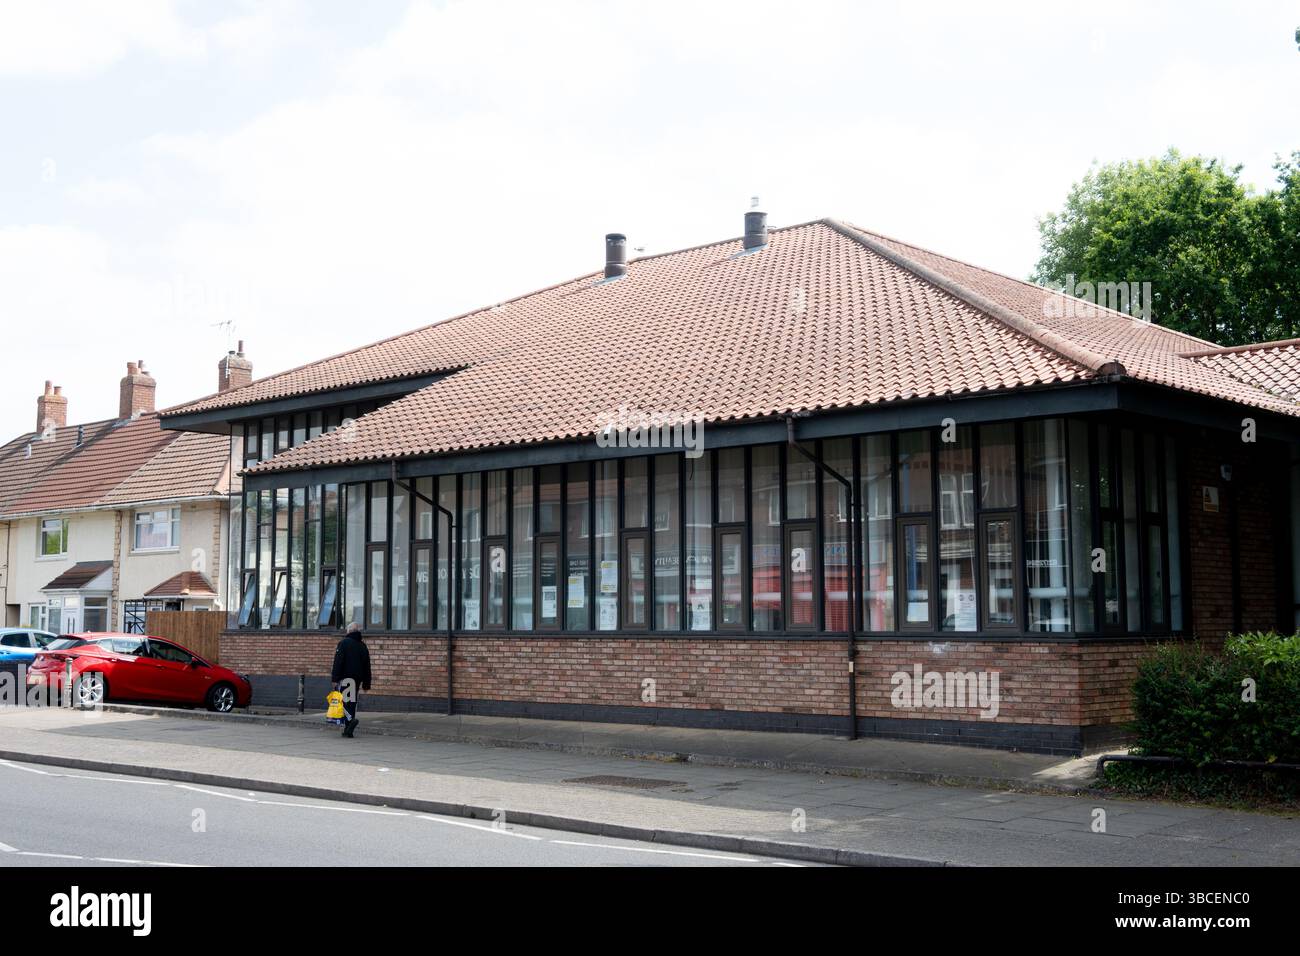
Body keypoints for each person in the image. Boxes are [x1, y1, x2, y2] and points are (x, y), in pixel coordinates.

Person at [330, 622, 371, 738]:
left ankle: (351, 721)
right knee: (351, 702)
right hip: (357, 679)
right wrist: (366, 683)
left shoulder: (343, 643)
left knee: (345, 703)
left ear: (349, 631)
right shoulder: (363, 646)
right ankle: (348, 730)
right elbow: (367, 666)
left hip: (346, 678)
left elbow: (338, 662)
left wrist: (335, 678)